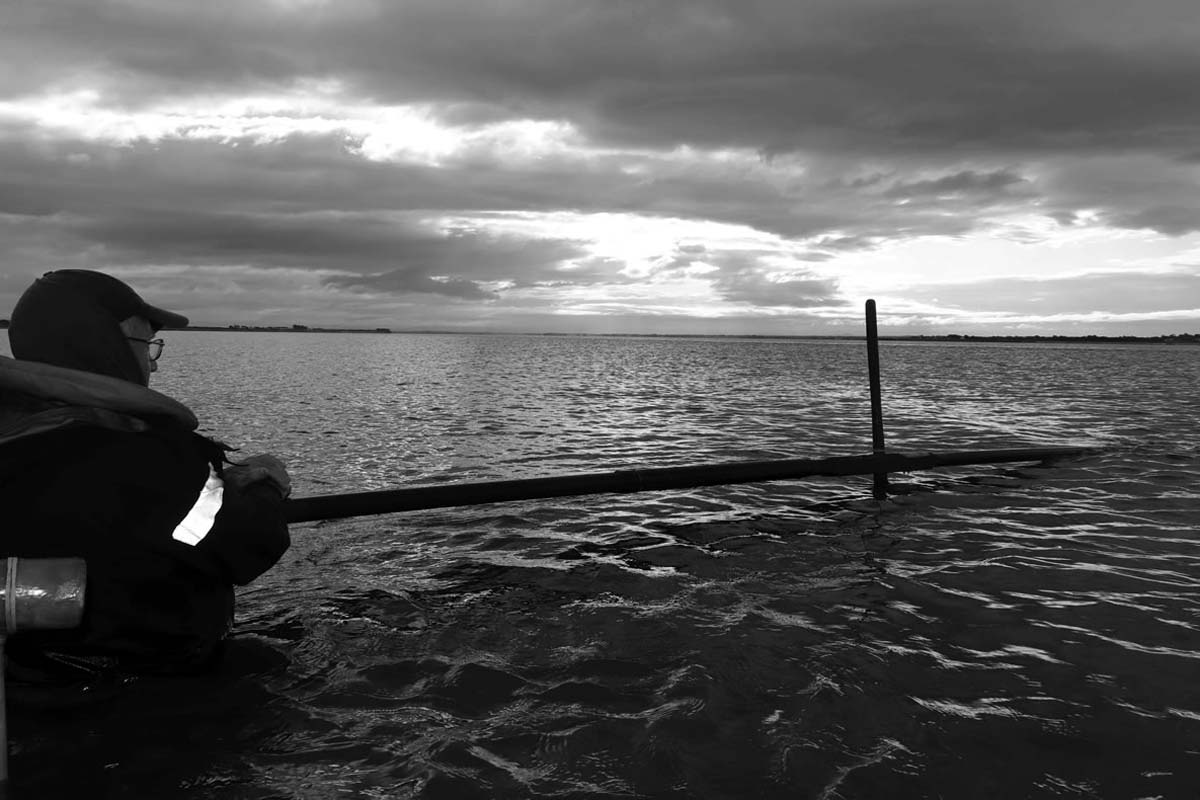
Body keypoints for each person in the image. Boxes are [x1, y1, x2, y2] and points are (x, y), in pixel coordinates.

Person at [0, 269, 291, 680]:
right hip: (140, 699)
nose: (152, 367)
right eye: (146, 346)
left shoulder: (16, 443)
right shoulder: (143, 457)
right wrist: (264, 485)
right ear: (105, 348)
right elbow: (247, 544)